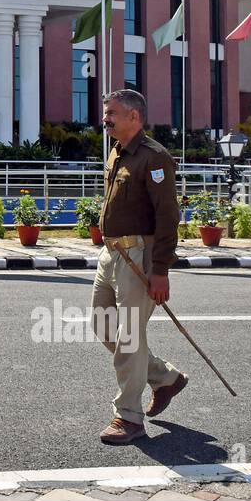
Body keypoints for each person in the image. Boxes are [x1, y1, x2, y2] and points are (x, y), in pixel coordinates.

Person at [92, 90, 187, 444]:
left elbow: (168, 216)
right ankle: (165, 378)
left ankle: (128, 417)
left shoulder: (155, 157)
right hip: (112, 254)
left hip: (140, 257)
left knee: (129, 336)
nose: (106, 119)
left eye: (112, 113)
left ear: (134, 116)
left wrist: (160, 269)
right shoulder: (117, 151)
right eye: (106, 113)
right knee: (103, 326)